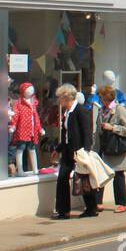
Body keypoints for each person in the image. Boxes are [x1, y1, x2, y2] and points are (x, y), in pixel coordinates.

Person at [52, 84, 95, 220]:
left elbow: (87, 133)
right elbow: (66, 134)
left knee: (83, 180)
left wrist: (86, 151)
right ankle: (63, 211)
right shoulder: (67, 112)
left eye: (60, 98)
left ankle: (91, 208)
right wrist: (57, 149)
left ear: (66, 97)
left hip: (79, 151)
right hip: (67, 151)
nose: (59, 101)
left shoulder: (80, 111)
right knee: (62, 178)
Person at [93, 84, 126, 214]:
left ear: (105, 97)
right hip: (104, 148)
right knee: (101, 176)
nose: (99, 99)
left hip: (116, 149)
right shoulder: (101, 110)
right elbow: (97, 131)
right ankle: (98, 202)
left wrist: (113, 128)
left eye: (100, 97)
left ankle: (122, 203)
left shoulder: (119, 109)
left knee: (118, 176)